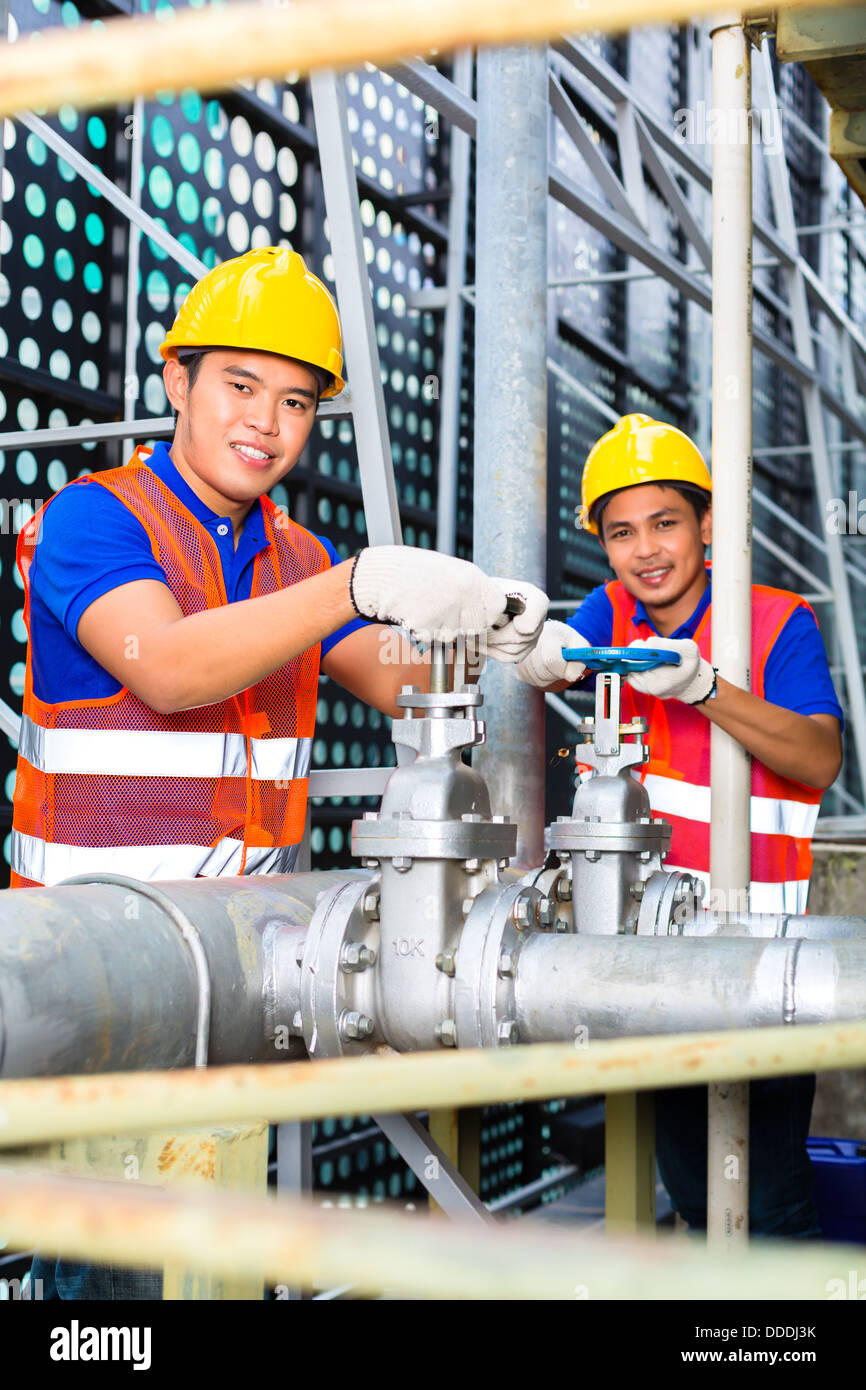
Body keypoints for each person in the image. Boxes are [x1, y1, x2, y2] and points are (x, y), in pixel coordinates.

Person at [13, 245, 548, 1296]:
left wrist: (504, 639)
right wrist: (358, 582)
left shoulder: (292, 555)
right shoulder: (96, 518)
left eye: (296, 402)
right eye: (239, 385)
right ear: (178, 381)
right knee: (112, 1298)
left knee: (205, 1273)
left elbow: (396, 681)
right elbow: (165, 667)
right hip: (95, 983)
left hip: (234, 979)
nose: (265, 421)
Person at [514, 411, 843, 1236]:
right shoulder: (609, 610)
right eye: (621, 532)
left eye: (665, 523)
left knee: (766, 1203)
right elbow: (551, 661)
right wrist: (533, 654)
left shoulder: (776, 621)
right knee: (696, 1197)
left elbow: (819, 760)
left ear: (708, 525)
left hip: (759, 960)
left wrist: (706, 690)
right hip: (646, 961)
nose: (645, 550)